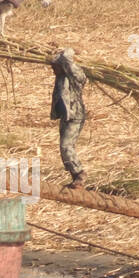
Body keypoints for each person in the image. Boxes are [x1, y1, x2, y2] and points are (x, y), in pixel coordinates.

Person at [50, 47, 87, 188]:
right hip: (66, 116)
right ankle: (75, 178)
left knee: (66, 146)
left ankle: (80, 174)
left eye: (55, 67)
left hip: (75, 116)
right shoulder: (60, 78)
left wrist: (66, 53)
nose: (53, 70)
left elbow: (67, 58)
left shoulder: (75, 76)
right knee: (63, 148)